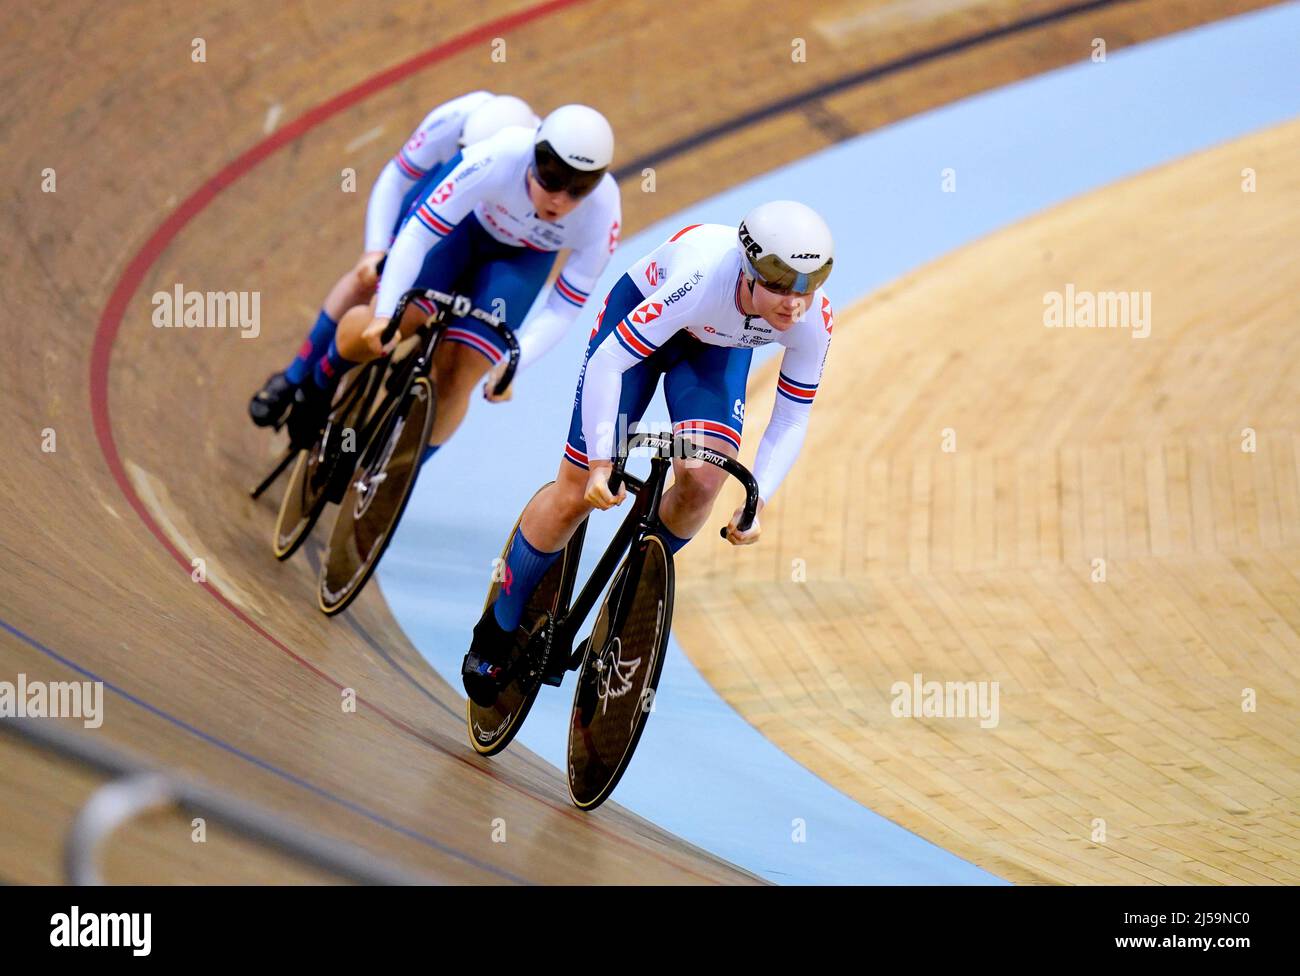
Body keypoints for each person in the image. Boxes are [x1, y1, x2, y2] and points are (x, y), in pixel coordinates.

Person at [461, 200, 836, 705]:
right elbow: (610, 362)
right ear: (748, 269)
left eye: (806, 286)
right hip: (640, 327)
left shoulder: (813, 318)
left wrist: (758, 499)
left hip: (714, 348)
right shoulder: (703, 279)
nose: (794, 303)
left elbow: (791, 417)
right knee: (576, 493)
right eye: (780, 284)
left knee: (703, 480)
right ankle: (498, 627)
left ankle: (629, 597)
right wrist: (600, 463)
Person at [273, 105, 622, 466]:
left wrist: (515, 364)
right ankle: (319, 381)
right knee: (397, 322)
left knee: (462, 373)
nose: (560, 198)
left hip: (519, 263)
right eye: (551, 177)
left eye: (578, 188)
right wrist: (384, 311)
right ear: (534, 156)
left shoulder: (603, 212)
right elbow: (419, 233)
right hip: (460, 232)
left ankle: (394, 477)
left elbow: (563, 309)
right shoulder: (497, 156)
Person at [248, 91, 539, 428]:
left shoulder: (539, 160)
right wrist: (375, 251)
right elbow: (396, 179)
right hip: (442, 197)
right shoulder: (454, 118)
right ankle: (295, 376)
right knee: (370, 276)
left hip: (500, 229)